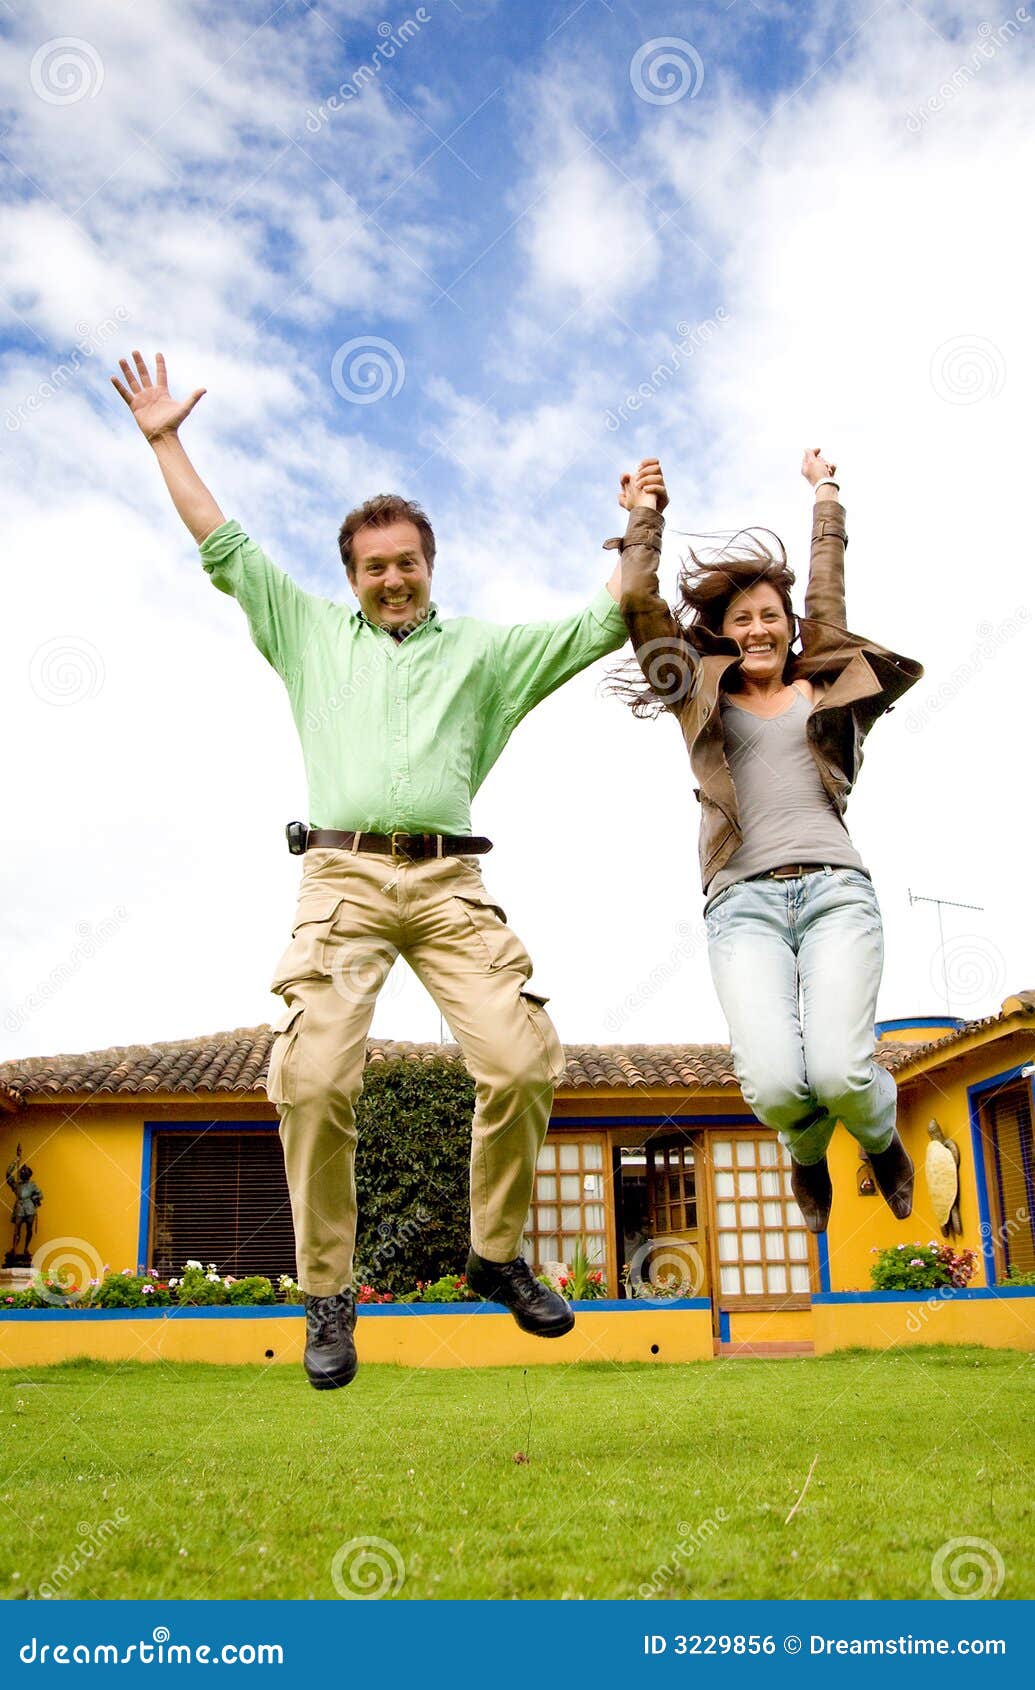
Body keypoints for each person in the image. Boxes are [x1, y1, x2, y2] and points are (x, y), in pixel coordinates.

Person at [111, 349, 635, 1389]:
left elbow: (599, 624)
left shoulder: (482, 652)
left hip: (448, 887)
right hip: (341, 881)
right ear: (352, 576)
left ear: (429, 565)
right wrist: (167, 437)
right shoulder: (308, 633)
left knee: (525, 1058)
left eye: (407, 562)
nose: (391, 577)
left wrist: (637, 534)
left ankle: (493, 1256)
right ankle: (330, 1295)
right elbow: (223, 542)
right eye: (372, 566)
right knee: (308, 1078)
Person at [611, 451, 924, 1233]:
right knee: (779, 1087)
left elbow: (827, 585)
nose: (758, 628)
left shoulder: (826, 682)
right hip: (740, 904)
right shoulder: (694, 695)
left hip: (835, 893)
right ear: (721, 631)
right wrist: (642, 516)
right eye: (741, 618)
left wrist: (825, 496)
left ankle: (881, 1139)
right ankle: (808, 1152)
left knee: (844, 1071)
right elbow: (639, 605)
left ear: (790, 629)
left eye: (770, 617)